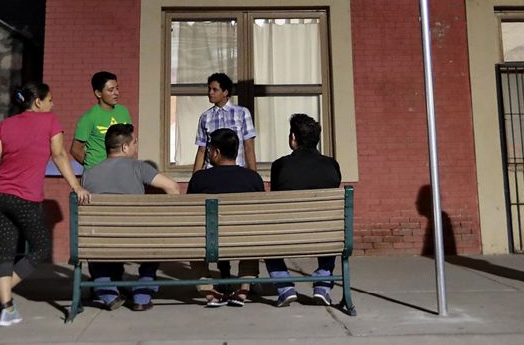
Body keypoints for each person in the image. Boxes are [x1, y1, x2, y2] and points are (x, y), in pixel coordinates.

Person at [0, 83, 90, 327]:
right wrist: (76, 186)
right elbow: (60, 155)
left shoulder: (6, 124)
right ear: (38, 102)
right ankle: (3, 293)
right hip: (25, 197)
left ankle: (6, 306)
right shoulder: (49, 121)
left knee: (6, 252)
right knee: (41, 248)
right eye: (50, 99)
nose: (53, 104)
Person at [81, 123, 179, 311]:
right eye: (134, 142)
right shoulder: (139, 167)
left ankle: (106, 290)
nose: (136, 146)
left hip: (98, 242)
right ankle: (142, 295)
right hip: (135, 241)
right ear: (125, 147)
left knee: (96, 242)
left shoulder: (89, 174)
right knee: (156, 239)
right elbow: (173, 187)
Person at [265, 113, 342, 307]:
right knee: (327, 225)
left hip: (288, 235)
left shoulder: (280, 165)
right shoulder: (331, 164)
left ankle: (285, 288)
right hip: (325, 236)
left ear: (293, 138)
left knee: (265, 238)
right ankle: (322, 286)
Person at [186, 128, 265, 307]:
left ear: (216, 152)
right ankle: (243, 290)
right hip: (245, 240)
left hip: (209, 241)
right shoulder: (253, 179)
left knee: (194, 240)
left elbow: (190, 214)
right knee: (252, 237)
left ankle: (209, 293)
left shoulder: (199, 179)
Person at [191, 72, 256, 171]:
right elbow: (201, 150)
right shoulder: (205, 117)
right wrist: (194, 179)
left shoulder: (242, 113)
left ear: (225, 92)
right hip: (212, 172)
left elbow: (249, 147)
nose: (210, 93)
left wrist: (253, 176)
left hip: (236, 171)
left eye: (215, 90)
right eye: (209, 89)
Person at [70, 71, 131, 173]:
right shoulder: (89, 118)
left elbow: (130, 140)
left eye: (117, 88)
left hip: (121, 170)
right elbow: (76, 150)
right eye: (111, 90)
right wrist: (93, 167)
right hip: (97, 173)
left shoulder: (123, 111)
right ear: (98, 93)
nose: (116, 93)